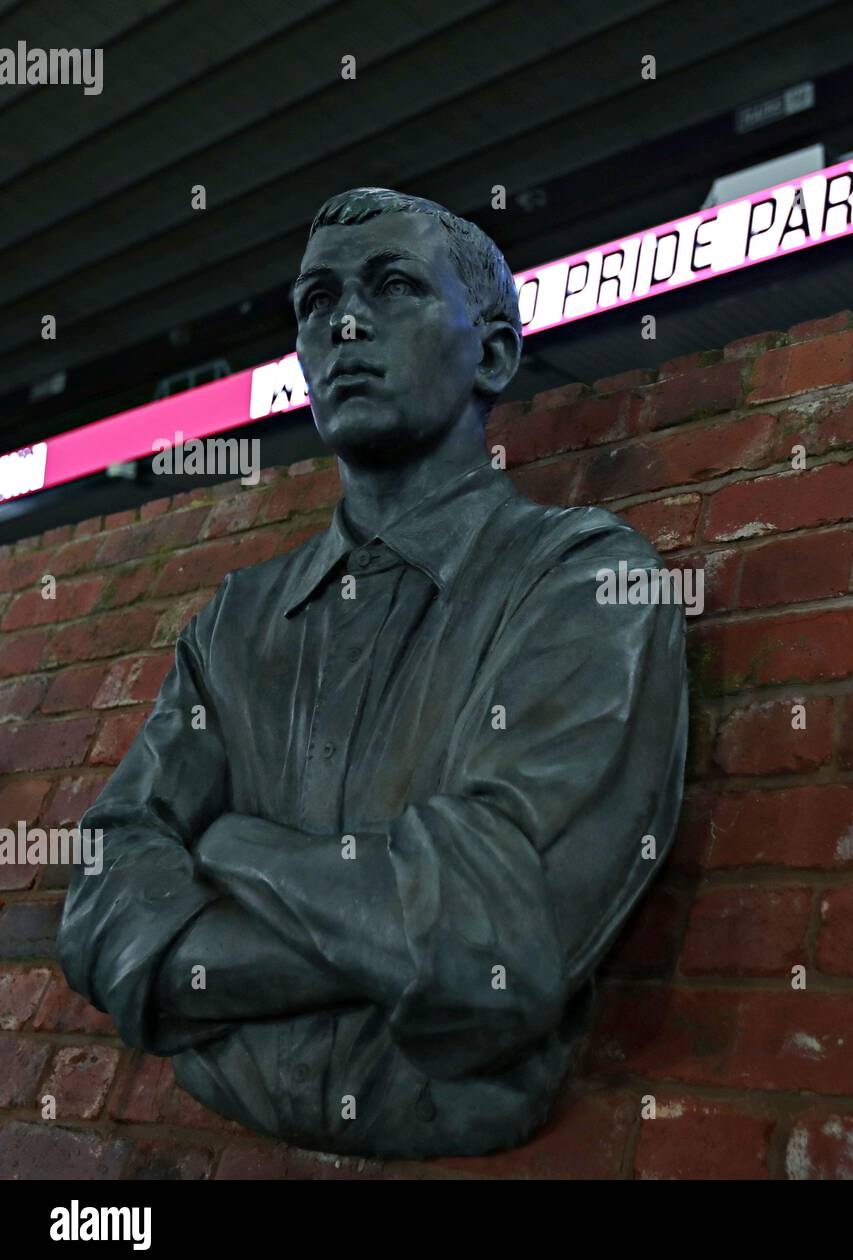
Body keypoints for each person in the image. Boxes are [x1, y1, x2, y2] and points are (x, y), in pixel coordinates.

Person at [57, 188, 689, 1158]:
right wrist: (380, 939)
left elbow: (491, 944)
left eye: (391, 286)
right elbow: (104, 897)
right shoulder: (235, 622)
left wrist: (232, 847)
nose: (344, 323)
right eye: (316, 302)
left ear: (492, 353)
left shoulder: (584, 582)